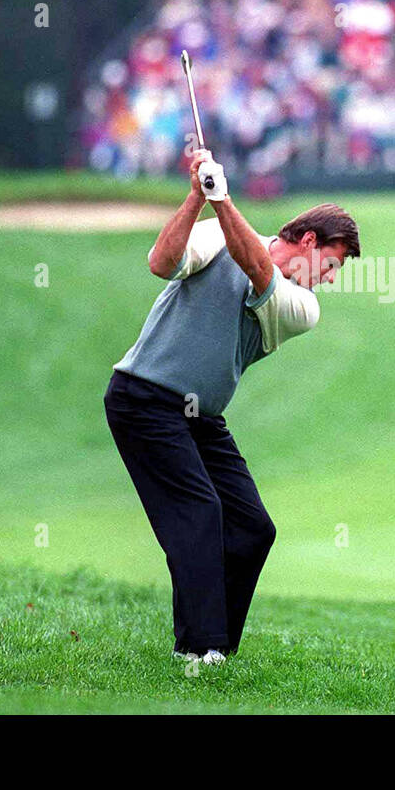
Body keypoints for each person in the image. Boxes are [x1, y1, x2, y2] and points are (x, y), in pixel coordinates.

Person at [104, 149, 360, 664]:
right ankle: (200, 651)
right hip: (143, 399)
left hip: (200, 418)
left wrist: (221, 200)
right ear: (309, 242)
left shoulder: (303, 308)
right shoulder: (215, 231)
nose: (330, 278)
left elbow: (258, 269)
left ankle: (213, 648)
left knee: (252, 528)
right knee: (200, 513)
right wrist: (198, 195)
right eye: (330, 264)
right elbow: (161, 263)